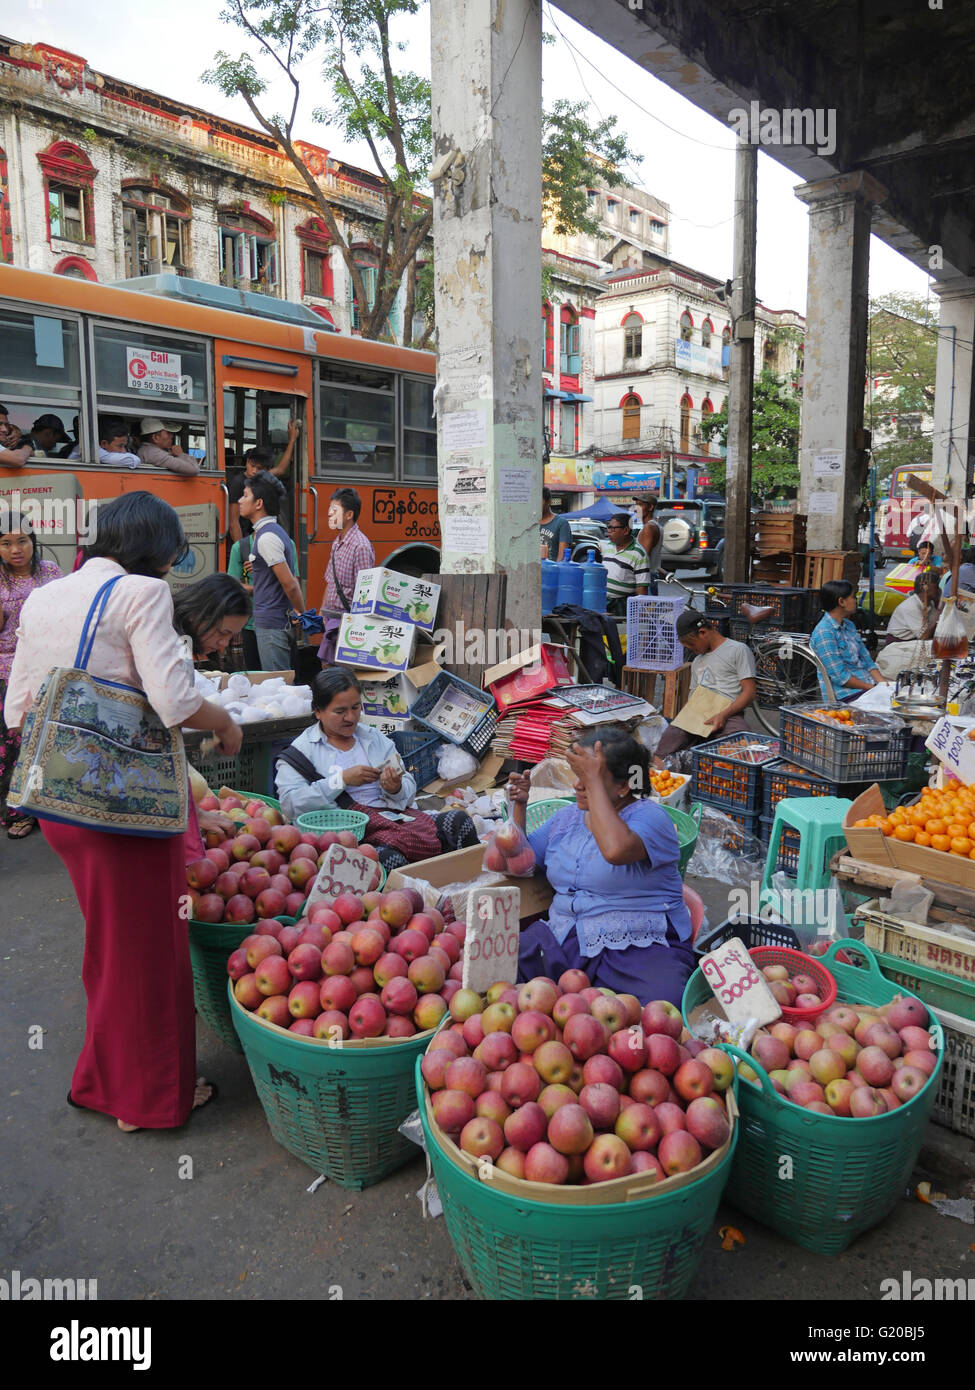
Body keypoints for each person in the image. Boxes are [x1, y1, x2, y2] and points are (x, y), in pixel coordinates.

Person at [5, 492, 242, 1132]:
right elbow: (175, 701)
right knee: (150, 955)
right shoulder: (142, 593)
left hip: (60, 800)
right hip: (124, 812)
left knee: (110, 950)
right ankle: (146, 1102)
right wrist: (224, 723)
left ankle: (101, 1079)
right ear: (158, 550)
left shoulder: (44, 596)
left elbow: (17, 707)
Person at [512, 725, 694, 1006]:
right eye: (578, 776)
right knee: (499, 965)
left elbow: (616, 849)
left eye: (588, 777)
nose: (576, 785)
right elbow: (522, 861)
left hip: (637, 947)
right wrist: (519, 808)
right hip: (564, 941)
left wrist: (593, 783)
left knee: (664, 1006)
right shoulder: (566, 818)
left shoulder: (650, 817)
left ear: (624, 786)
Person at [274, 668, 479, 871]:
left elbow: (407, 786)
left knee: (458, 822)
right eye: (340, 711)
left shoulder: (373, 738)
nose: (351, 717)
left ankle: (469, 886)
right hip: (348, 834)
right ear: (318, 711)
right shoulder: (301, 753)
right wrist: (341, 780)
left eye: (355, 707)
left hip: (391, 821)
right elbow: (290, 805)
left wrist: (395, 788)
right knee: (388, 860)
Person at [0, 519, 61, 839]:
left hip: (46, 667)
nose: (15, 550)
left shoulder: (50, 572)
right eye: (6, 543)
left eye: (21, 541)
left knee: (44, 741)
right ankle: (17, 812)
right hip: (7, 669)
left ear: (33, 541)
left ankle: (46, 807)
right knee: (13, 743)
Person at [654, 610, 757, 765]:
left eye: (692, 644)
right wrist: (687, 718)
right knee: (670, 738)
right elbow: (692, 698)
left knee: (741, 742)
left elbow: (749, 692)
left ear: (702, 632)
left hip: (730, 713)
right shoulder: (697, 662)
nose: (691, 650)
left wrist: (723, 714)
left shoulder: (738, 650)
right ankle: (660, 772)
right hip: (700, 713)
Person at [237, 469, 305, 672]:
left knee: (278, 686)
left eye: (246, 495)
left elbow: (290, 584)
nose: (240, 500)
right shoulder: (274, 532)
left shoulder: (266, 538)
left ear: (259, 503)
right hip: (275, 621)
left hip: (272, 625)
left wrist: (301, 612)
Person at [227, 523, 299, 671]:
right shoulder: (240, 547)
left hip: (279, 621)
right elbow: (233, 583)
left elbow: (293, 580)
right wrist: (257, 588)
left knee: (284, 676)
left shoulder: (287, 543)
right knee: (256, 675)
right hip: (250, 622)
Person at [317, 487, 375, 666]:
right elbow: (330, 582)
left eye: (334, 511)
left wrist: (354, 625)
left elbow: (366, 593)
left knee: (343, 673)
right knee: (326, 666)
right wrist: (322, 612)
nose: (329, 515)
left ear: (349, 514)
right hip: (332, 618)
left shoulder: (361, 546)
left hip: (348, 621)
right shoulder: (337, 543)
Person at [809, 579, 886, 700]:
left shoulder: (849, 625)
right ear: (841, 602)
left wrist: (883, 686)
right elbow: (840, 677)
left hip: (867, 687)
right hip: (846, 695)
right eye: (853, 597)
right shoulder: (824, 633)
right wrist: (873, 688)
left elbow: (867, 661)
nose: (855, 601)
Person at [228, 421, 300, 541]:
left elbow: (281, 469)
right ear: (247, 462)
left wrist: (292, 439)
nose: (254, 471)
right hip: (243, 539)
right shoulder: (237, 483)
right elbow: (233, 523)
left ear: (267, 469)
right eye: (252, 465)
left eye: (260, 468)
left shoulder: (262, 477)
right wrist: (242, 553)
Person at [602, 513, 651, 617]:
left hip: (621, 605)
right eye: (609, 527)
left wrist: (640, 615)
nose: (609, 531)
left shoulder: (639, 554)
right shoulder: (608, 547)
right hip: (603, 601)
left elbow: (641, 588)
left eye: (613, 528)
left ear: (626, 530)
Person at [884, 571, 941, 645]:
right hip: (898, 644)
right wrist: (940, 611)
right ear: (926, 588)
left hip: (912, 641)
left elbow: (936, 625)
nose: (939, 590)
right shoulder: (911, 607)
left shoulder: (930, 604)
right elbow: (923, 636)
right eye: (937, 587)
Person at [68, 418, 141, 469]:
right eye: (120, 446)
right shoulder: (91, 449)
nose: (124, 451)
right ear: (104, 443)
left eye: (124, 446)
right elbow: (133, 460)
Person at [634, 495, 662, 596]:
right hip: (650, 576)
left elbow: (642, 558)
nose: (636, 509)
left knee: (644, 610)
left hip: (645, 579)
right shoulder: (655, 525)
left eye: (640, 505)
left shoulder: (649, 527)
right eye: (636, 505)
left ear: (650, 507)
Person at [540, 487, 571, 560]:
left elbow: (562, 557)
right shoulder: (529, 524)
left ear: (549, 502)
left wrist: (555, 570)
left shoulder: (561, 523)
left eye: (539, 501)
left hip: (551, 570)